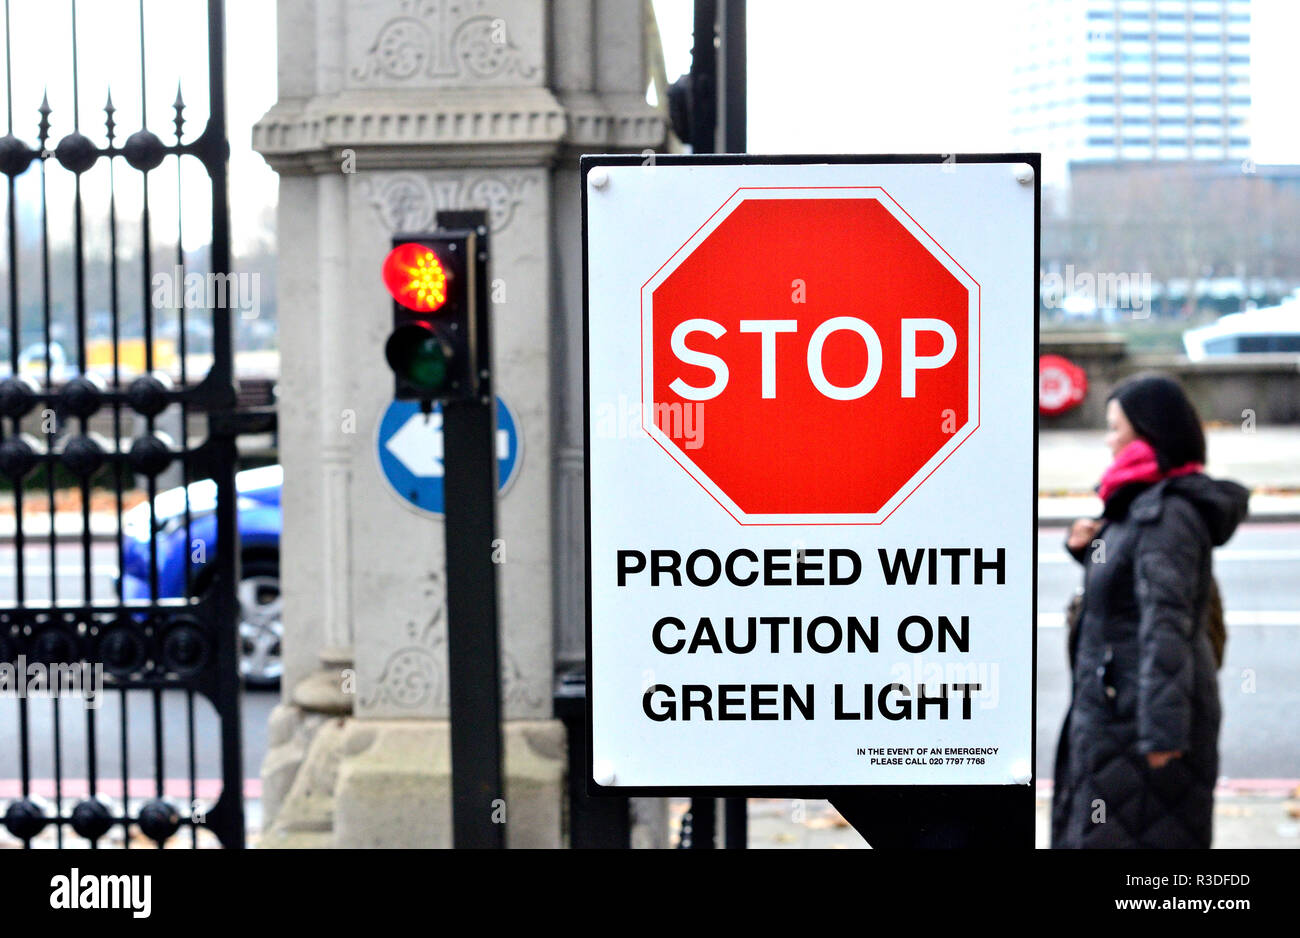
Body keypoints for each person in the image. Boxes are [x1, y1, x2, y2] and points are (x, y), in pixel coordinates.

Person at [1050, 374, 1248, 848]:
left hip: (1138, 724)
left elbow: (1167, 623)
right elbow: (1129, 592)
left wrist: (1162, 734)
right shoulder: (1139, 503)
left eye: (1114, 427)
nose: (1107, 439)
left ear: (1147, 433)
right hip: (1117, 710)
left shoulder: (1165, 515)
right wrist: (1091, 548)